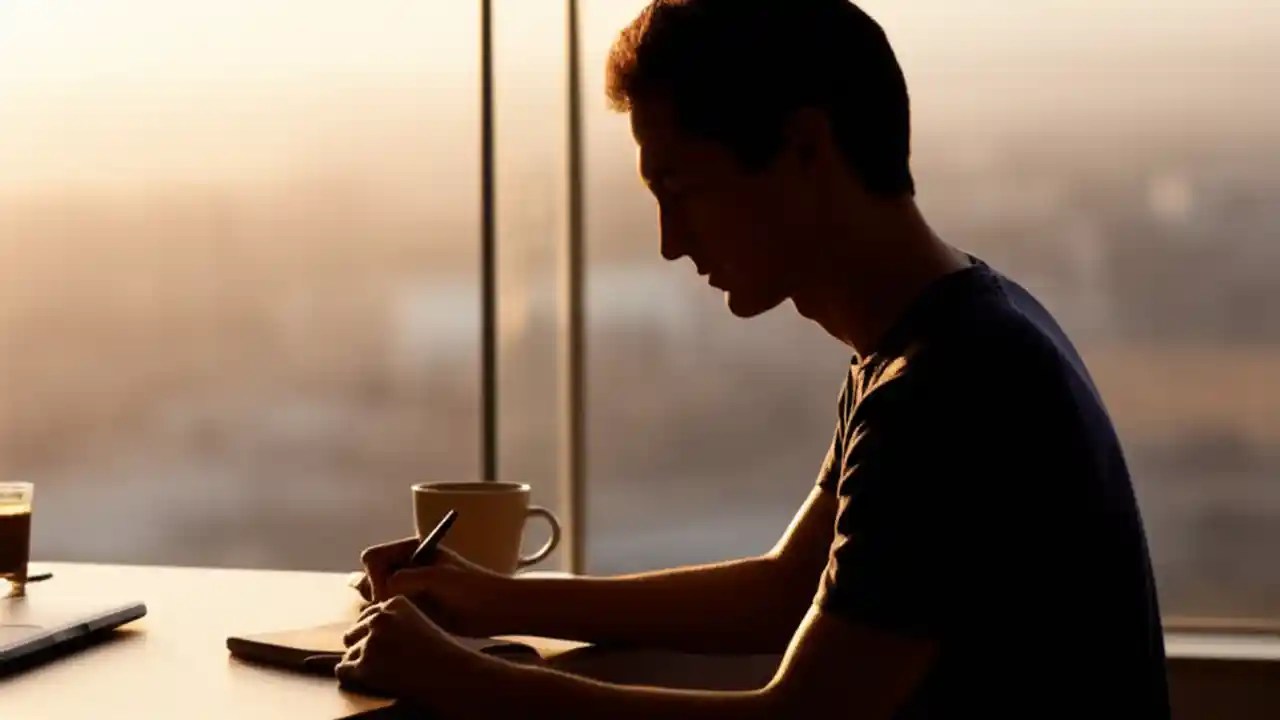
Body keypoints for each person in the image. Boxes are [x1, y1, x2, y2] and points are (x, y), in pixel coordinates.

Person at [337, 1, 1171, 717]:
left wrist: (461, 682)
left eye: (681, 191)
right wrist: (496, 599)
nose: (669, 243)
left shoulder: (945, 388)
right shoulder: (948, 341)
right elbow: (785, 593)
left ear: (805, 150)